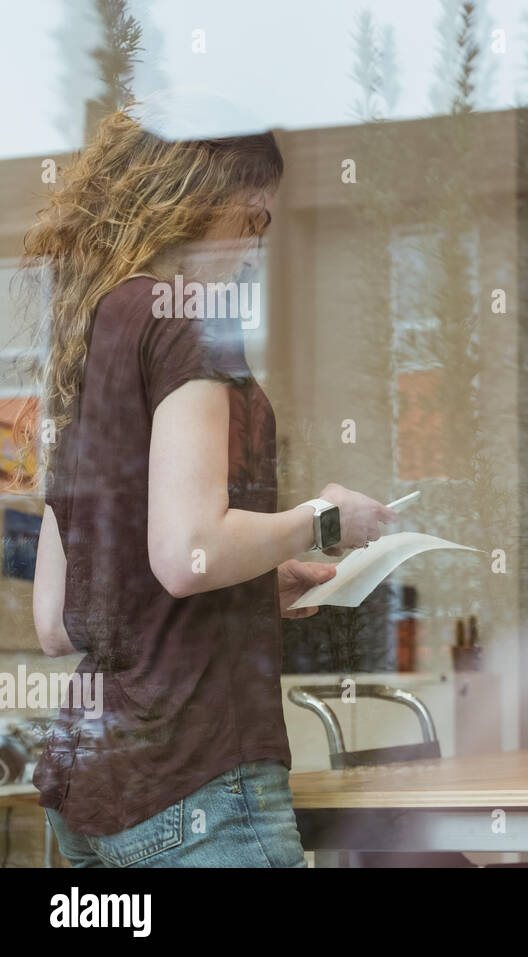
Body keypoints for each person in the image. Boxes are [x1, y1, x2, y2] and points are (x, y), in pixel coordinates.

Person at [21, 106, 398, 866]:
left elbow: (58, 622)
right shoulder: (185, 322)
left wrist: (259, 579)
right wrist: (321, 520)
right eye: (254, 214)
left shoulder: (87, 344)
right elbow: (189, 550)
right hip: (195, 781)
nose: (257, 240)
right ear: (199, 195)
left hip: (94, 793)